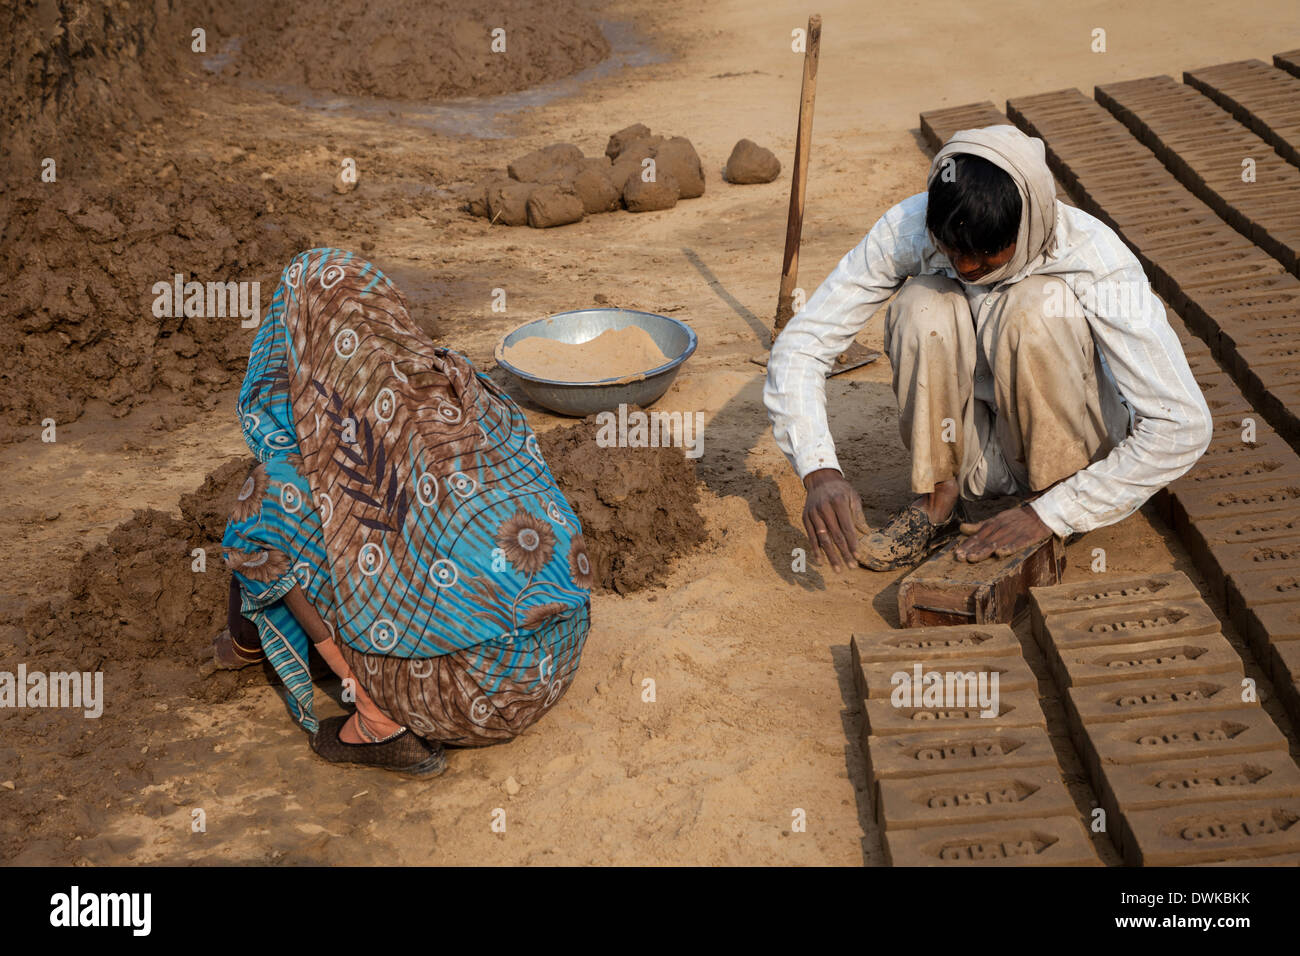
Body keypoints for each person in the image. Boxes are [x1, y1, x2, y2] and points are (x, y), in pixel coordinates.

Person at [213, 249, 594, 776]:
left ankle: (375, 722)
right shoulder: (469, 387)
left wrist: (244, 637)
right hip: (557, 658)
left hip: (460, 699)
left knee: (265, 514)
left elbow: (260, 540)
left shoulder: (307, 459)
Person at [765, 125, 1212, 572]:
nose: (965, 266)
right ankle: (940, 500)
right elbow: (802, 345)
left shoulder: (1096, 258)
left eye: (984, 254)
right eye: (951, 248)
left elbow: (1182, 424)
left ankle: (1049, 497)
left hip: (1074, 455)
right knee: (921, 303)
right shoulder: (908, 228)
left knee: (1036, 308)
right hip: (970, 458)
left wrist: (1052, 512)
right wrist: (819, 470)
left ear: (1029, 224)